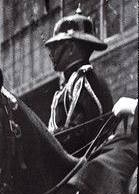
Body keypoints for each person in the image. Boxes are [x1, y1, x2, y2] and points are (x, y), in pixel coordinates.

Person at [44, 8, 113, 137]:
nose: (50, 53)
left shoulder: (84, 81)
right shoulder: (70, 84)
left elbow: (79, 133)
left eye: (55, 47)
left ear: (71, 48)